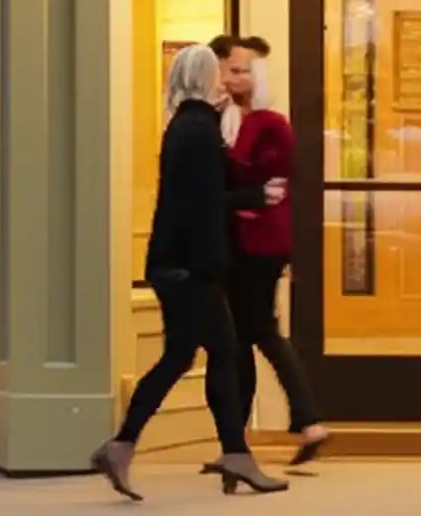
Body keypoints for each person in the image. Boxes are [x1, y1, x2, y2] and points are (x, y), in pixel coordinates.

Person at [90, 45, 289, 501]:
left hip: (176, 263)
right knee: (221, 352)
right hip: (192, 267)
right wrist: (255, 196)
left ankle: (127, 446)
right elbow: (205, 203)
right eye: (217, 73)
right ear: (204, 78)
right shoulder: (199, 131)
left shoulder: (185, 125)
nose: (224, 80)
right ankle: (230, 453)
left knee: (184, 356)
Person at [203, 35, 329, 471]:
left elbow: (261, 179)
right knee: (242, 338)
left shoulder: (268, 123)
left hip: (260, 243)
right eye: (230, 70)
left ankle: (306, 420)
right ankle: (239, 442)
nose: (235, 79)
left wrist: (221, 158)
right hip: (238, 240)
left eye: (243, 71)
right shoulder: (230, 119)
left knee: (258, 330)